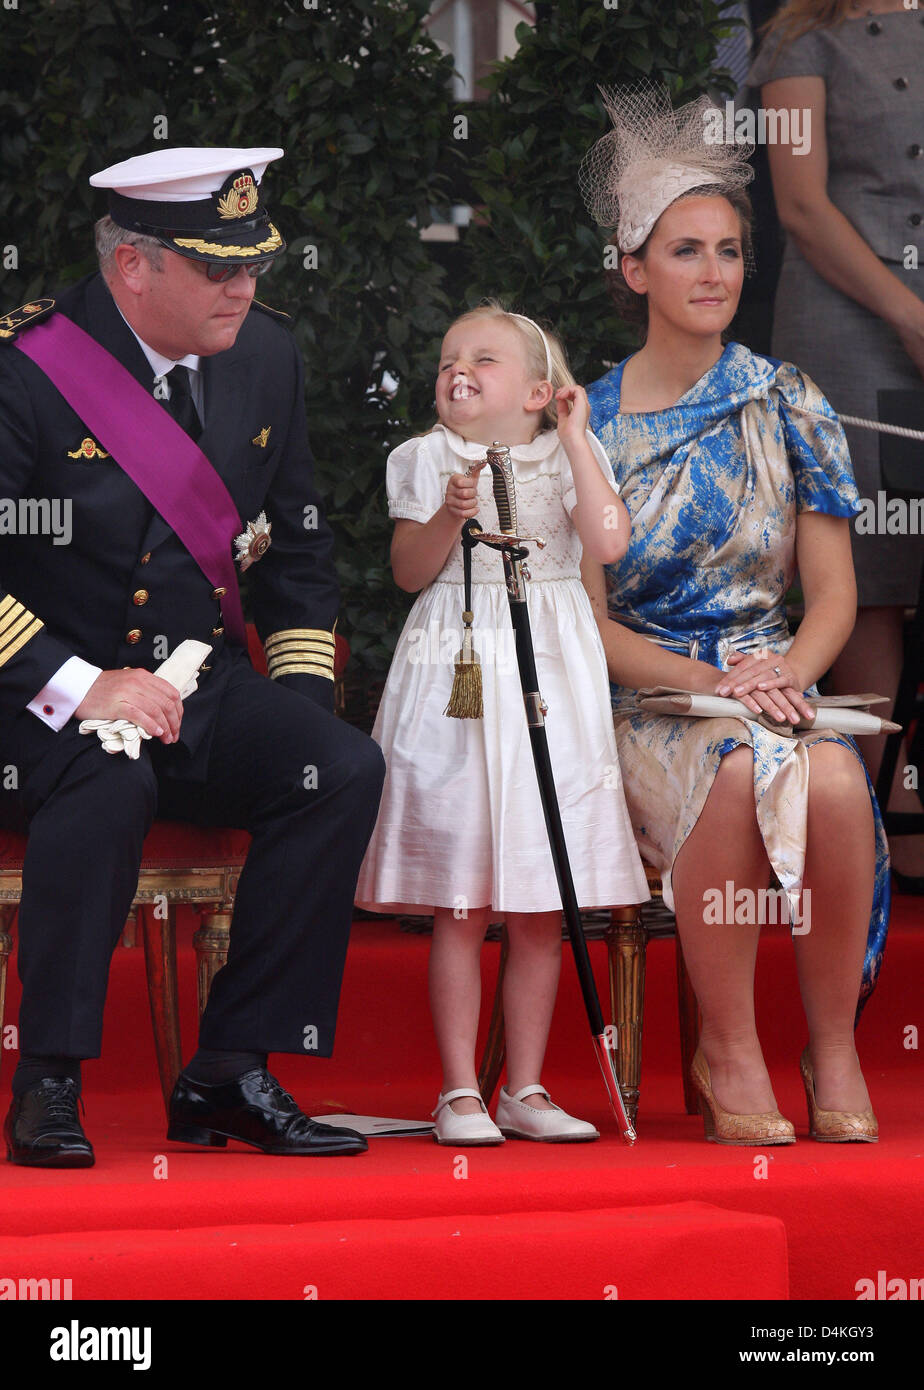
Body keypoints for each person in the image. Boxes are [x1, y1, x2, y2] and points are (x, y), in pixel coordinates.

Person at [0, 148, 385, 1166]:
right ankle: (47, 1078)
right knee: (108, 775)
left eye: (253, 263)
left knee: (337, 770)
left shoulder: (264, 354)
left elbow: (297, 549)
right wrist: (86, 687)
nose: (245, 286)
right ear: (134, 266)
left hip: (195, 684)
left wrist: (300, 706)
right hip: (36, 691)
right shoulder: (23, 364)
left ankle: (230, 1070)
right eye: (219, 267)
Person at [579, 84, 886, 1144]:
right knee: (742, 763)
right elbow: (589, 621)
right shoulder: (591, 423)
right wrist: (715, 684)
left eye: (727, 251)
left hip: (778, 676)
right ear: (633, 269)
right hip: (650, 698)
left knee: (838, 776)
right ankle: (728, 1045)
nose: (713, 272)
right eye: (685, 251)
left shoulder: (787, 396)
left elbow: (834, 593)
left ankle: (833, 1039)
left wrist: (784, 676)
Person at [356, 303, 649, 1145]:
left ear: (535, 392)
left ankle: (525, 1085)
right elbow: (410, 573)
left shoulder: (569, 454)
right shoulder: (422, 457)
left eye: (484, 358)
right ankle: (457, 1091)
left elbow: (608, 540)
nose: (459, 369)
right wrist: (450, 514)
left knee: (538, 904)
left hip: (549, 674)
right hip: (461, 673)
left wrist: (581, 436)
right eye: (450, 357)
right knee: (460, 895)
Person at [747, 0, 924, 880]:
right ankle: (870, 796)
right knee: (872, 560)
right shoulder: (798, 35)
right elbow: (802, 206)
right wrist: (907, 313)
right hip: (848, 317)